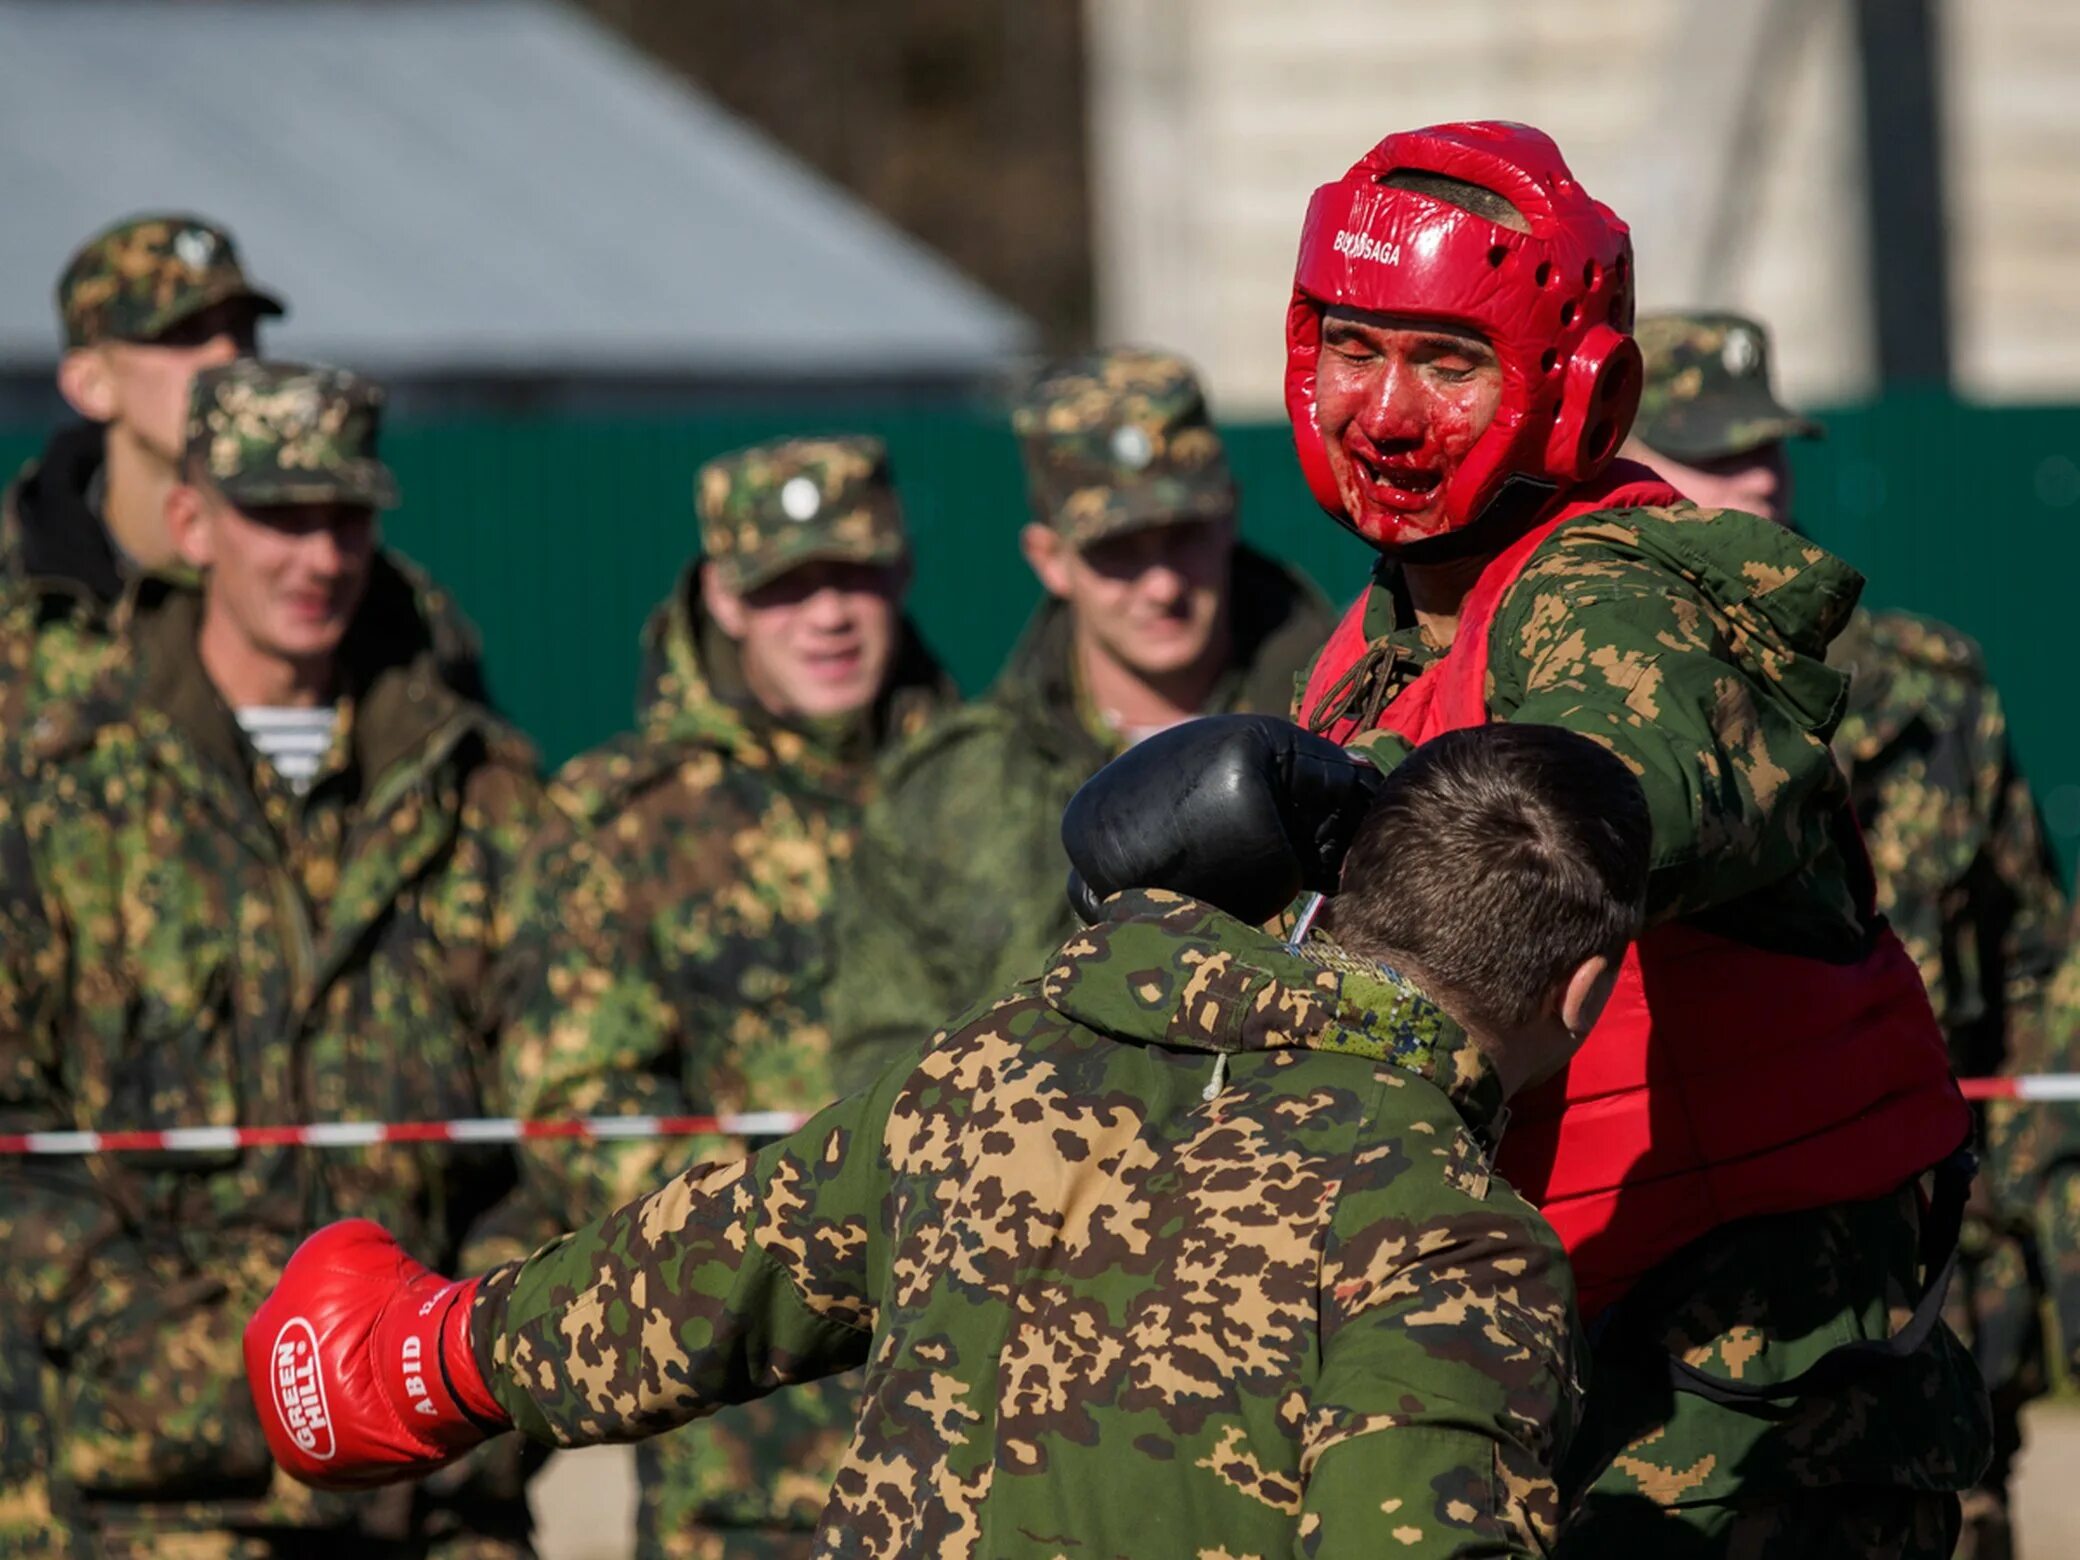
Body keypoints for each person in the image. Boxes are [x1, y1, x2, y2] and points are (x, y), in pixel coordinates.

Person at [1067, 122, 1989, 1554]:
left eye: (1446, 362)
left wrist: (1352, 792)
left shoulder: (1606, 585)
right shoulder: (1375, 638)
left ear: (1570, 388)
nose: (1384, 412)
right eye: (1355, 351)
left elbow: (1638, 793)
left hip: (1749, 1403)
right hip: (1596, 1359)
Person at [248, 717, 1656, 1559]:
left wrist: (417, 1362)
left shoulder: (1005, 1065)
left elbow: (691, 1281)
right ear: (1580, 992)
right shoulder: (1450, 1236)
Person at [0, 361, 544, 1557]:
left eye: (344, 517)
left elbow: (573, 1113)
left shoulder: (481, 792)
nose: (317, 558)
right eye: (277, 516)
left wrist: (461, 1344)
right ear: (191, 520)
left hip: (438, 1477)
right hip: (158, 1494)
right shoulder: (61, 793)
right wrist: (176, 1353)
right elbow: (12, 1128)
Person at [1627, 310, 2070, 1560]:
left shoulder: (1930, 688)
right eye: (1713, 454)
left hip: (1926, 1310)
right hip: (1682, 1346)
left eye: (1771, 448)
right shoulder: (1596, 711)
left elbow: (2038, 963)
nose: (1759, 479)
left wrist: (2037, 1233)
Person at [498, 435, 955, 1558]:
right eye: (786, 588)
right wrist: (794, 1231)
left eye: (850, 577)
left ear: (898, 576)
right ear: (723, 598)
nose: (828, 617)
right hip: (749, 1446)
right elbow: (576, 1100)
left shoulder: (982, 789)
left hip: (975, 1417)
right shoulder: (624, 818)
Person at [826, 347, 1332, 1092]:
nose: (1161, 584)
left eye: (1183, 532)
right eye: (1117, 550)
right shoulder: (947, 795)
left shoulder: (1340, 730)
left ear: (1228, 511)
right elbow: (885, 1071)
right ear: (1049, 558)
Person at [0, 213, 484, 736]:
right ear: (89, 382)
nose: (227, 356)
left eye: (241, 331)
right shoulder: (22, 591)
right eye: (183, 334)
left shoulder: (380, 605)